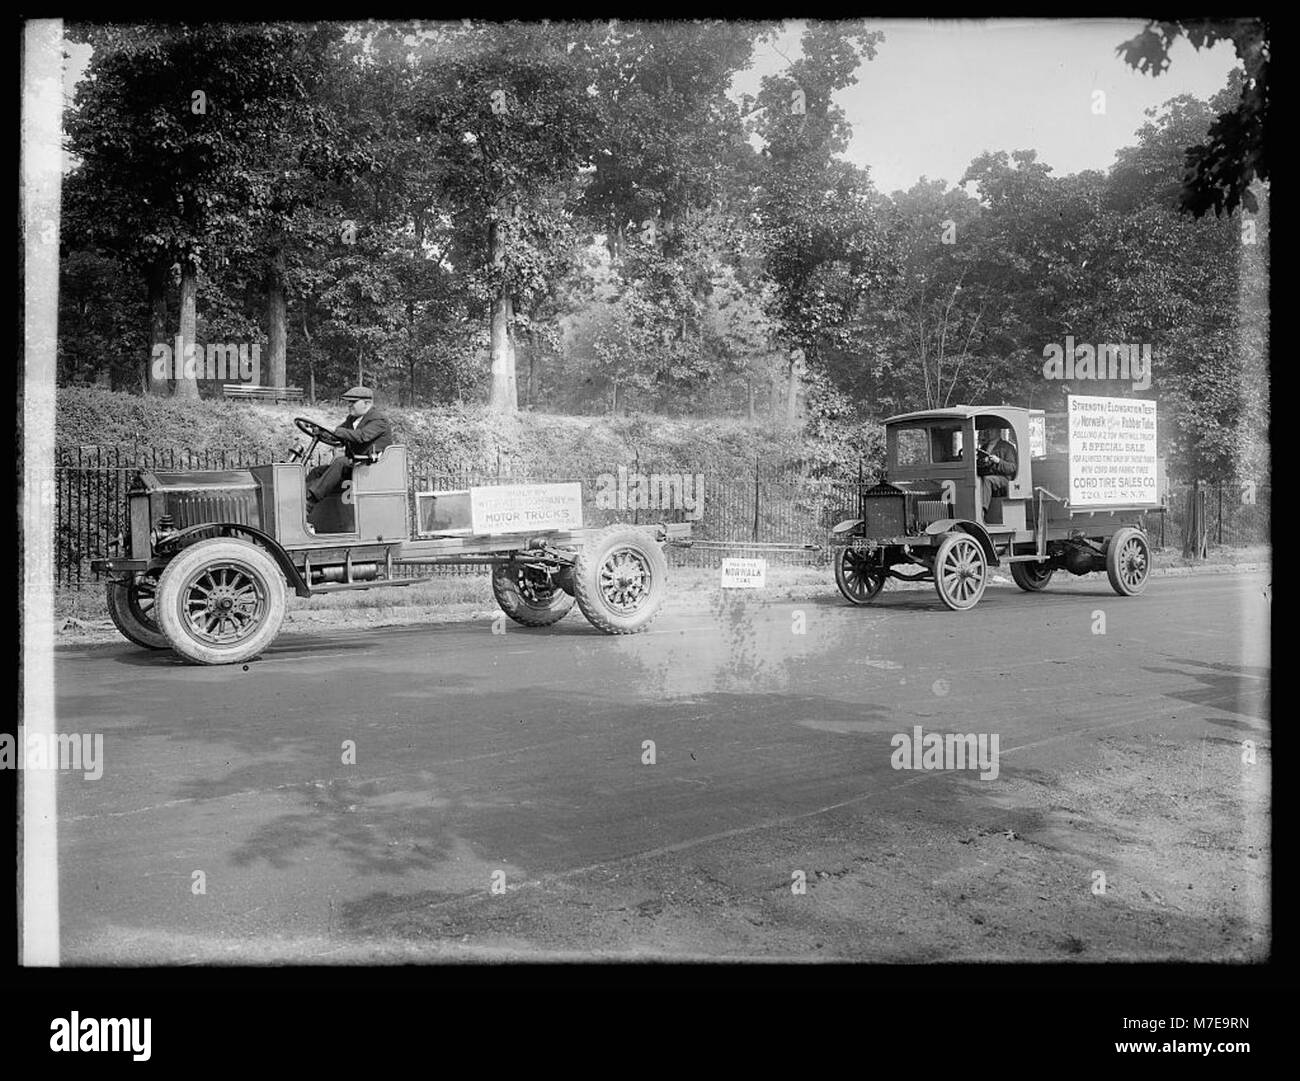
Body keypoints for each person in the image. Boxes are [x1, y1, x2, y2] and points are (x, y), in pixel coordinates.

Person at [305, 386, 394, 512]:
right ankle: (301, 499)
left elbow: (362, 436)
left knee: (340, 462)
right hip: (356, 465)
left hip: (372, 467)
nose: (349, 405)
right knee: (317, 471)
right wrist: (322, 433)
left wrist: (339, 432)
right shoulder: (352, 419)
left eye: (353, 402)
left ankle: (309, 503)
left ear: (366, 403)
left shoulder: (379, 419)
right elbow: (337, 435)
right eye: (348, 402)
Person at [977, 425, 1018, 514]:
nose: (989, 432)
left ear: (998, 431)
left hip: (1004, 479)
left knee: (987, 480)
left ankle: (983, 510)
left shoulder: (1007, 447)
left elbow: (1012, 468)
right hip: (987, 476)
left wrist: (998, 461)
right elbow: (978, 467)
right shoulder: (983, 448)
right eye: (988, 430)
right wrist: (983, 463)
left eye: (992, 429)